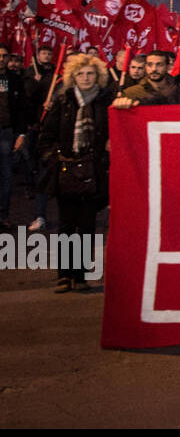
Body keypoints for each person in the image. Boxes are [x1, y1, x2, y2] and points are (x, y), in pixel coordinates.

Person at [39, 54, 109, 292]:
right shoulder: (63, 101)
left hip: (93, 171)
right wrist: (53, 159)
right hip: (66, 170)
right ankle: (64, 275)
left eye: (90, 73)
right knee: (67, 225)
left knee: (87, 226)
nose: (86, 78)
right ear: (73, 76)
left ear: (97, 75)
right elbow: (46, 136)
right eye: (81, 74)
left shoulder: (104, 102)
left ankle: (80, 275)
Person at [0, 51, 29, 231]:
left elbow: (21, 109)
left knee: (6, 176)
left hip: (6, 133)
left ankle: (3, 215)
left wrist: (21, 134)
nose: (1, 59)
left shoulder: (15, 79)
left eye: (4, 56)